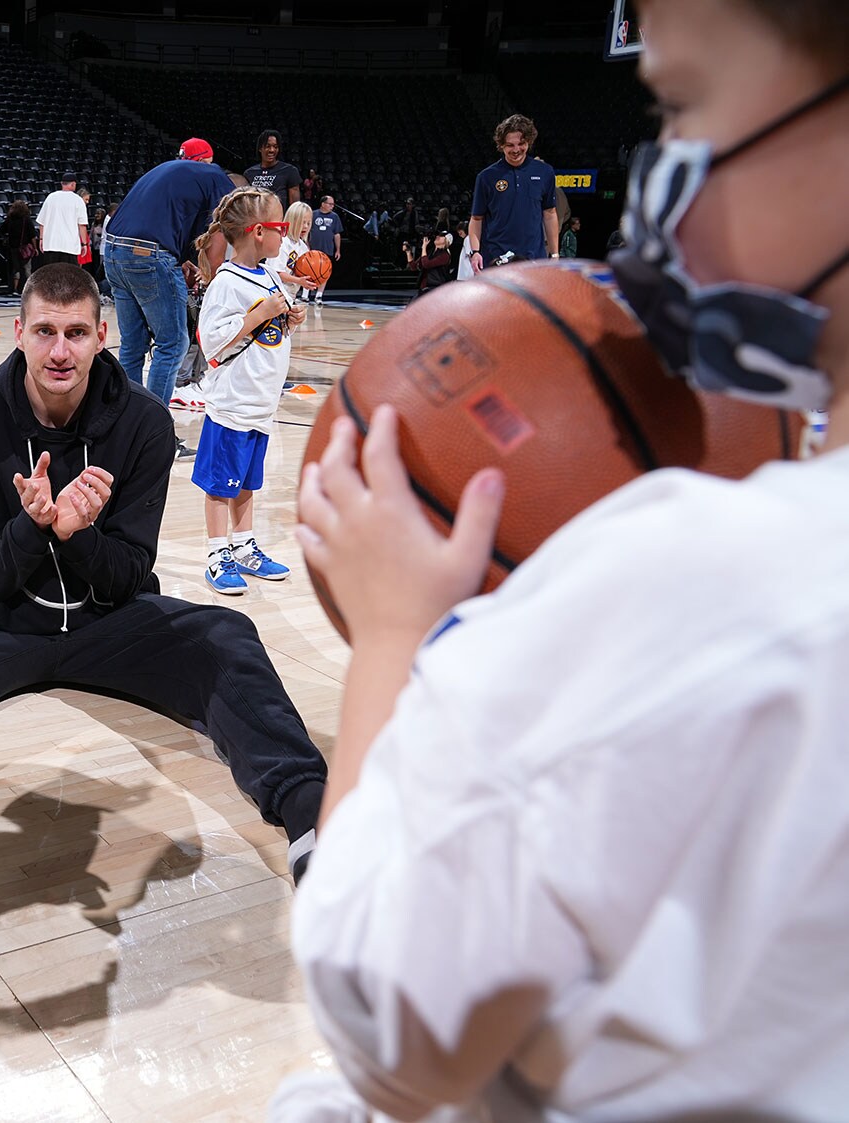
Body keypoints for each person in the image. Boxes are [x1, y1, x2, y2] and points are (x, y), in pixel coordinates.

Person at [272, 2, 849, 1120]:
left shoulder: (682, 580)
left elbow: (390, 1029)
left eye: (679, 102)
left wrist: (393, 638)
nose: (660, 163)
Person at [0, 263, 327, 878]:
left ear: (101, 336)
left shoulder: (144, 422)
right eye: (44, 331)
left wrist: (77, 535)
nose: (59, 351)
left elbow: (126, 577)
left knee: (226, 637)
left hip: (109, 620)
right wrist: (33, 527)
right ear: (17, 332)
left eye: (75, 333)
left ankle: (312, 820)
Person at [190, 188, 307, 595]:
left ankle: (243, 546)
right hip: (233, 403)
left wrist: (290, 319)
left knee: (246, 483)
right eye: (280, 228)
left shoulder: (270, 273)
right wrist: (259, 314)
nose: (285, 235)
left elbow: (269, 334)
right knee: (220, 485)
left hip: (261, 403)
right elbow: (213, 344)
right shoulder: (226, 282)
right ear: (259, 232)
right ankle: (216, 553)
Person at [101, 137, 235, 453]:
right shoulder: (214, 175)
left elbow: (166, 229)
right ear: (208, 160)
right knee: (173, 343)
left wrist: (182, 262)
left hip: (114, 253)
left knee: (133, 346)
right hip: (148, 256)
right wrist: (215, 278)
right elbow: (219, 229)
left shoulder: (166, 172)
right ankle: (154, 435)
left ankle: (127, 428)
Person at [467, 112, 558, 271]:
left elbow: (550, 213)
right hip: (495, 259)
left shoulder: (545, 172)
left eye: (521, 143)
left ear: (529, 142)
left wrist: (555, 254)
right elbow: (476, 218)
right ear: (501, 145)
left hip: (534, 259)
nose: (516, 150)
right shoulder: (486, 177)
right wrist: (475, 252)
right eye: (510, 145)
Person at [35, 171, 89, 268]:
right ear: (73, 184)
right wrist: (84, 244)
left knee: (51, 276)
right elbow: (82, 225)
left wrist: (41, 239)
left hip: (51, 244)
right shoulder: (78, 200)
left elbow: (42, 222)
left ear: (62, 183)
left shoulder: (51, 197)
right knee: (69, 278)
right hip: (70, 246)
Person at [244, 129, 301, 209]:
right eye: (268, 146)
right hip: (255, 220)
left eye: (275, 147)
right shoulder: (249, 173)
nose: (272, 150)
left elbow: (295, 209)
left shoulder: (290, 171)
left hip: (278, 220)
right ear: (260, 148)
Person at [306, 195, 342, 304]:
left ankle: (319, 295)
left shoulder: (334, 217)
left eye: (333, 204)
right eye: (330, 204)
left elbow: (337, 234)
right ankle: (305, 295)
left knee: (324, 272)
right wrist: (306, 245)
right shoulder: (313, 214)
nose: (332, 206)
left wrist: (338, 250)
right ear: (323, 204)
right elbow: (306, 231)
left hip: (327, 249)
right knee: (308, 272)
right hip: (313, 249)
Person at [0, 197, 35, 295]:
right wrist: (35, 247)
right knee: (27, 269)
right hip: (25, 248)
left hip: (13, 247)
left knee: (16, 268)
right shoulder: (26, 220)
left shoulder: (10, 219)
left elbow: (2, 230)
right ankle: (29, 290)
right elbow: (32, 235)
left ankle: (14, 289)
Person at [405, 231, 454, 295]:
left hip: (436, 288)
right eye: (438, 235)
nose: (437, 236)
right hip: (424, 288)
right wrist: (408, 252)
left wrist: (424, 247)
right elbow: (414, 267)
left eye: (442, 236)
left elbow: (426, 264)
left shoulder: (445, 255)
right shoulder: (429, 252)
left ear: (447, 240)